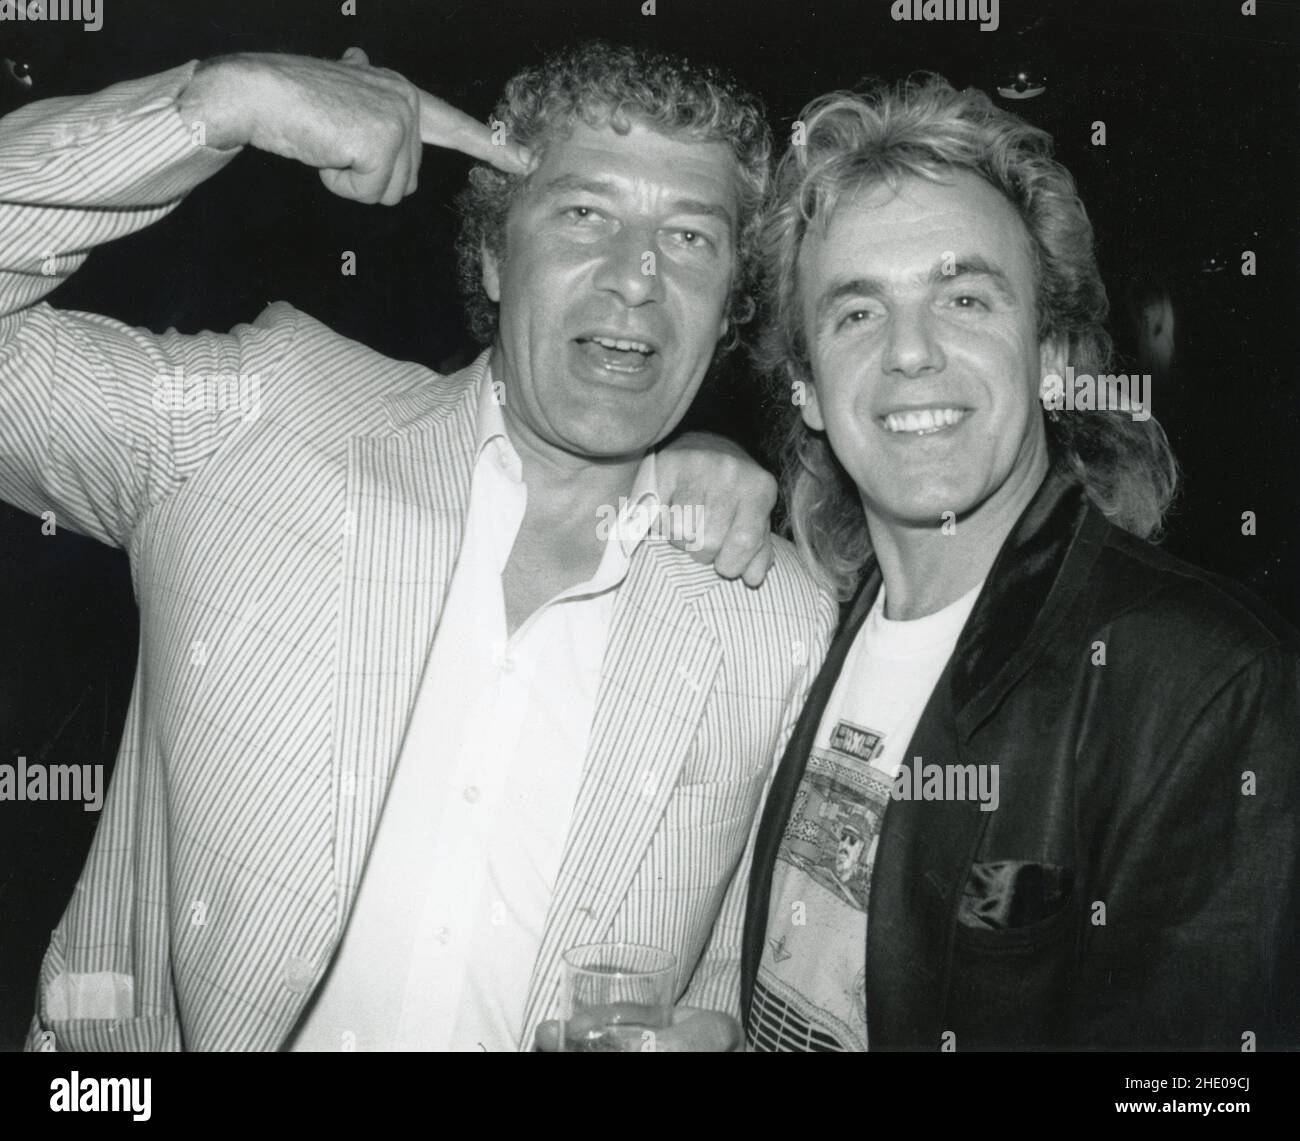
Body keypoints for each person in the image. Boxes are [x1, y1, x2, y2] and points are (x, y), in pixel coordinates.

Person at [0, 40, 835, 1051]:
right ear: (492, 252)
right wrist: (214, 105)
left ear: (731, 303)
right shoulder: (254, 418)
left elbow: (734, 996)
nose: (637, 277)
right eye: (584, 214)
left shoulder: (775, 615)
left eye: (692, 237)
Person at [737, 75, 1300, 1051]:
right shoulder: (818, 631)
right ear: (809, 391)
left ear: (1049, 354)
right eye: (856, 313)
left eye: (963, 297)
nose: (911, 352)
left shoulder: (1200, 685)